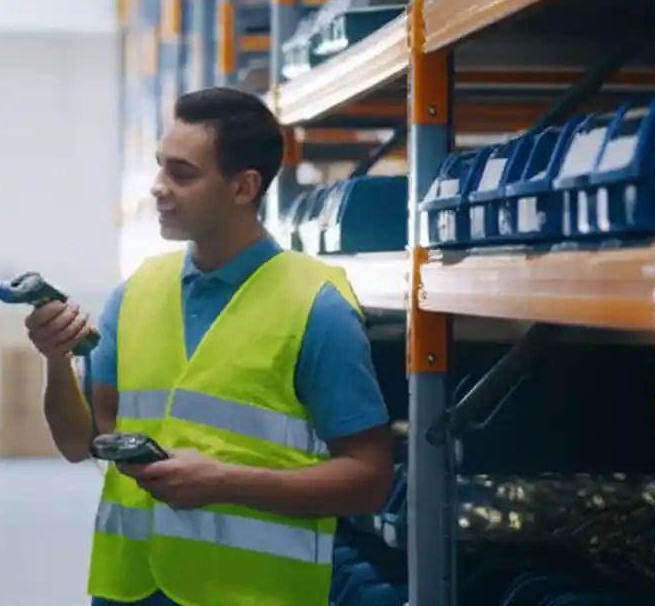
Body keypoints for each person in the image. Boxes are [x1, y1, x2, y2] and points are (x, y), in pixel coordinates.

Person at [23, 87, 394, 606]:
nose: (158, 188)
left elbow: (369, 479)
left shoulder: (316, 306)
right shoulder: (136, 293)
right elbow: (78, 442)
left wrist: (225, 482)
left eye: (182, 173)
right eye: (160, 167)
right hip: (129, 592)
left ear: (243, 187)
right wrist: (55, 359)